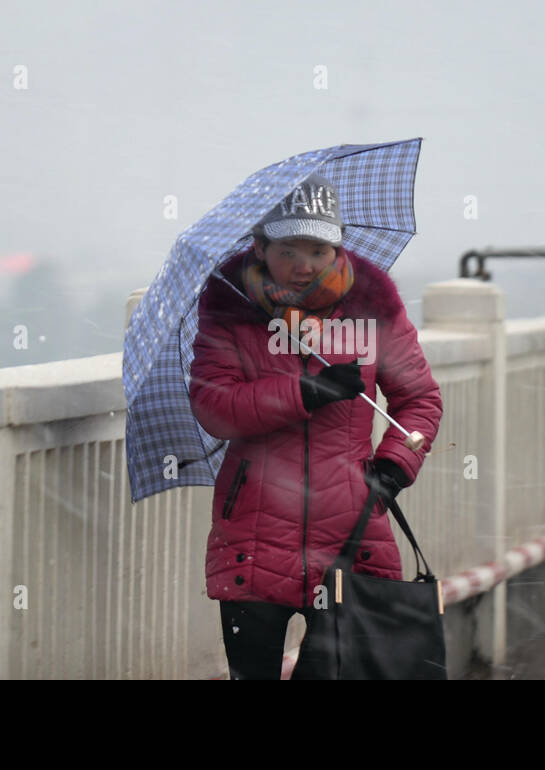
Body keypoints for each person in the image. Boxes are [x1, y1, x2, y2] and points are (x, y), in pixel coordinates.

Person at [188, 172, 443, 680]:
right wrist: (307, 393)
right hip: (254, 534)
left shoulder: (372, 306)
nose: (304, 265)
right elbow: (214, 405)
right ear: (259, 247)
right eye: (289, 249)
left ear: (338, 248)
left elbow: (419, 399)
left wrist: (393, 467)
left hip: (352, 528)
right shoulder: (230, 308)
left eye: (319, 249)